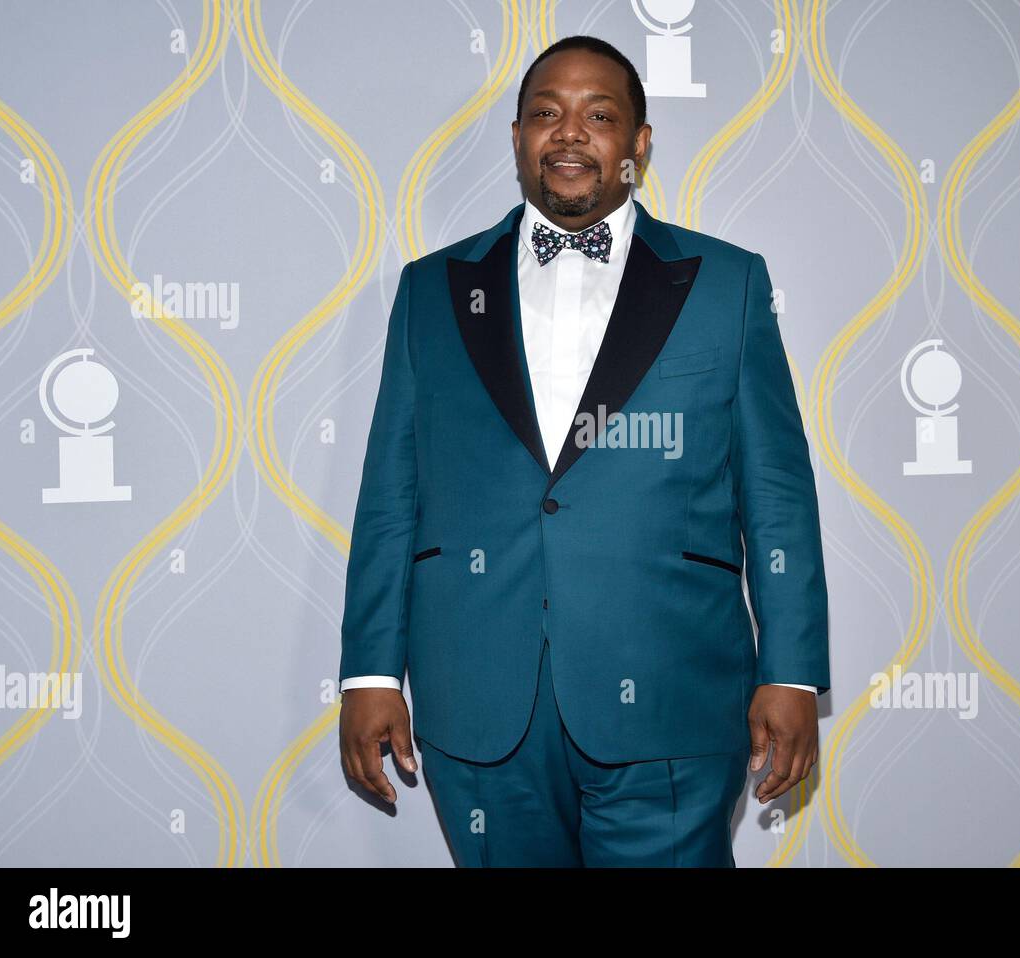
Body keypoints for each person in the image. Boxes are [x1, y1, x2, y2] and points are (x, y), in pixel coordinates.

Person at [337, 34, 829, 867]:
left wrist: (793, 671)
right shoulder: (430, 289)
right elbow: (393, 490)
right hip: (481, 698)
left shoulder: (727, 283)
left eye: (599, 115)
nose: (569, 134)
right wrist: (369, 674)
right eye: (545, 114)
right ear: (519, 137)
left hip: (674, 694)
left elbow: (776, 491)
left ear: (639, 143)